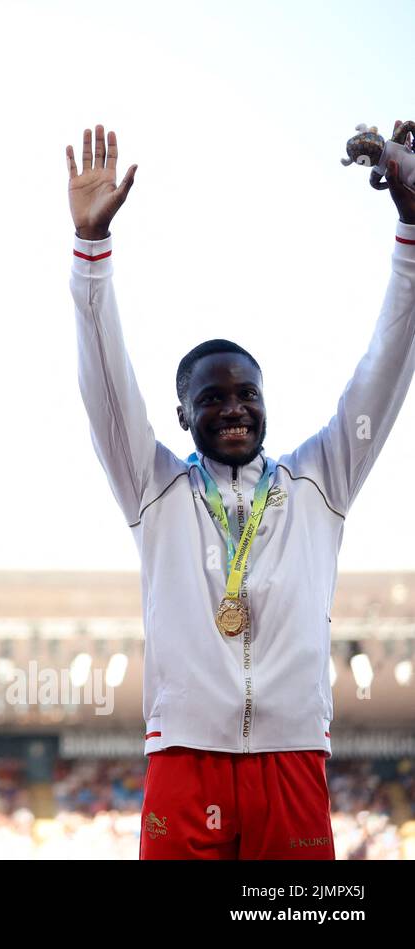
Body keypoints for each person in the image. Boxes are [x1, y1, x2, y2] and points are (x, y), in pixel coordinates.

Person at [66, 124, 415, 859]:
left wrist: (412, 233)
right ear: (182, 414)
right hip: (183, 761)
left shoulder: (322, 478)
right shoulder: (153, 486)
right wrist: (91, 257)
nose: (233, 407)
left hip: (292, 759)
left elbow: (384, 372)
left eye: (246, 393)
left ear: (264, 401)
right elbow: (105, 386)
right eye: (212, 397)